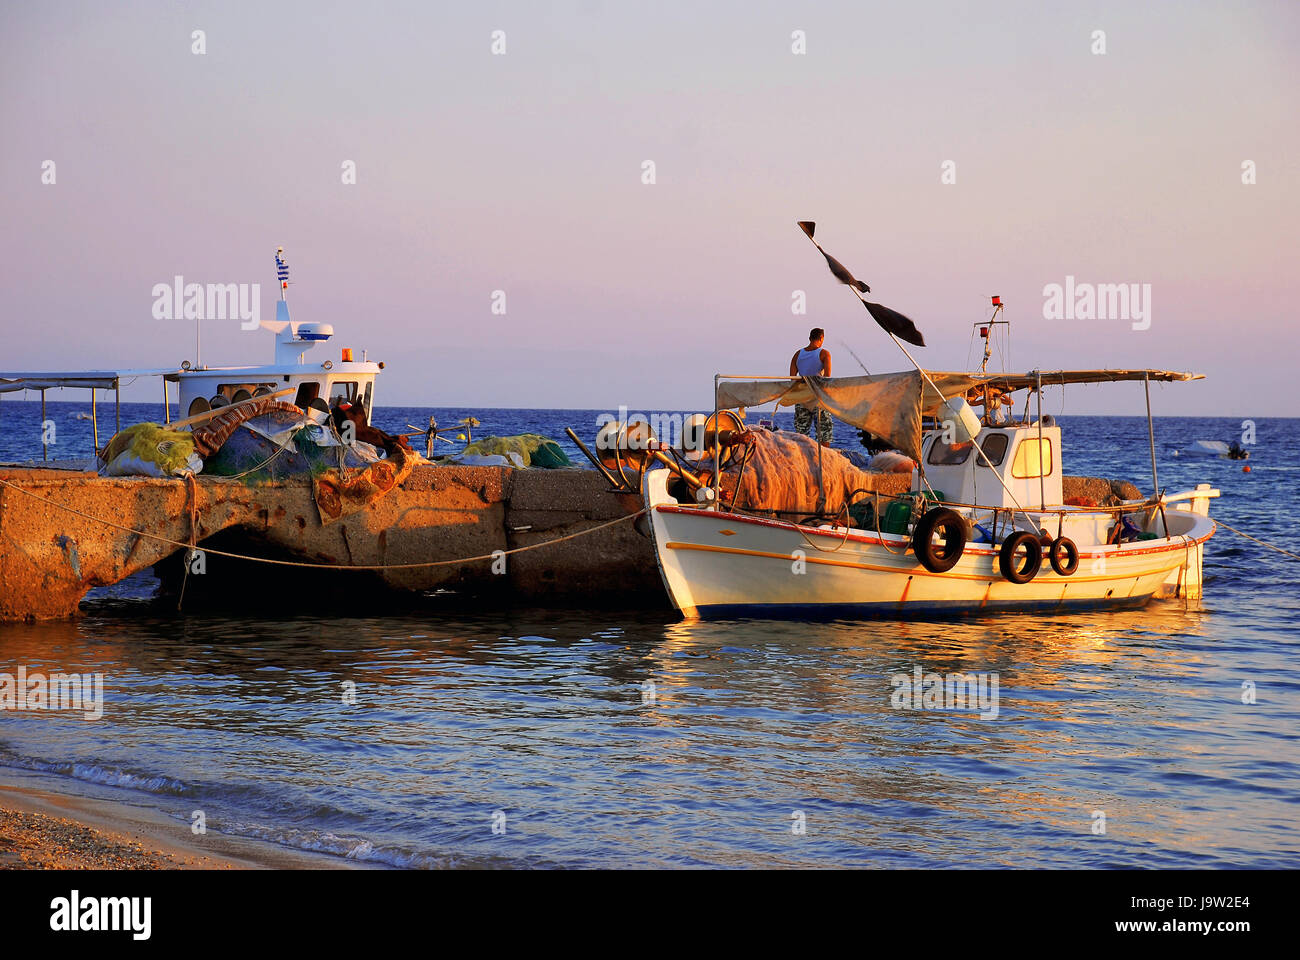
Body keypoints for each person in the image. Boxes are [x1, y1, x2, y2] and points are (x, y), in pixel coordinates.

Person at [790, 327, 833, 445]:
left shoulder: (798, 354)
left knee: (801, 434)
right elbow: (827, 378)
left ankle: (803, 459)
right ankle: (823, 459)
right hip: (817, 396)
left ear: (809, 338)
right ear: (821, 338)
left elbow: (792, 378)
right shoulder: (824, 353)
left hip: (801, 397)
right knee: (824, 433)